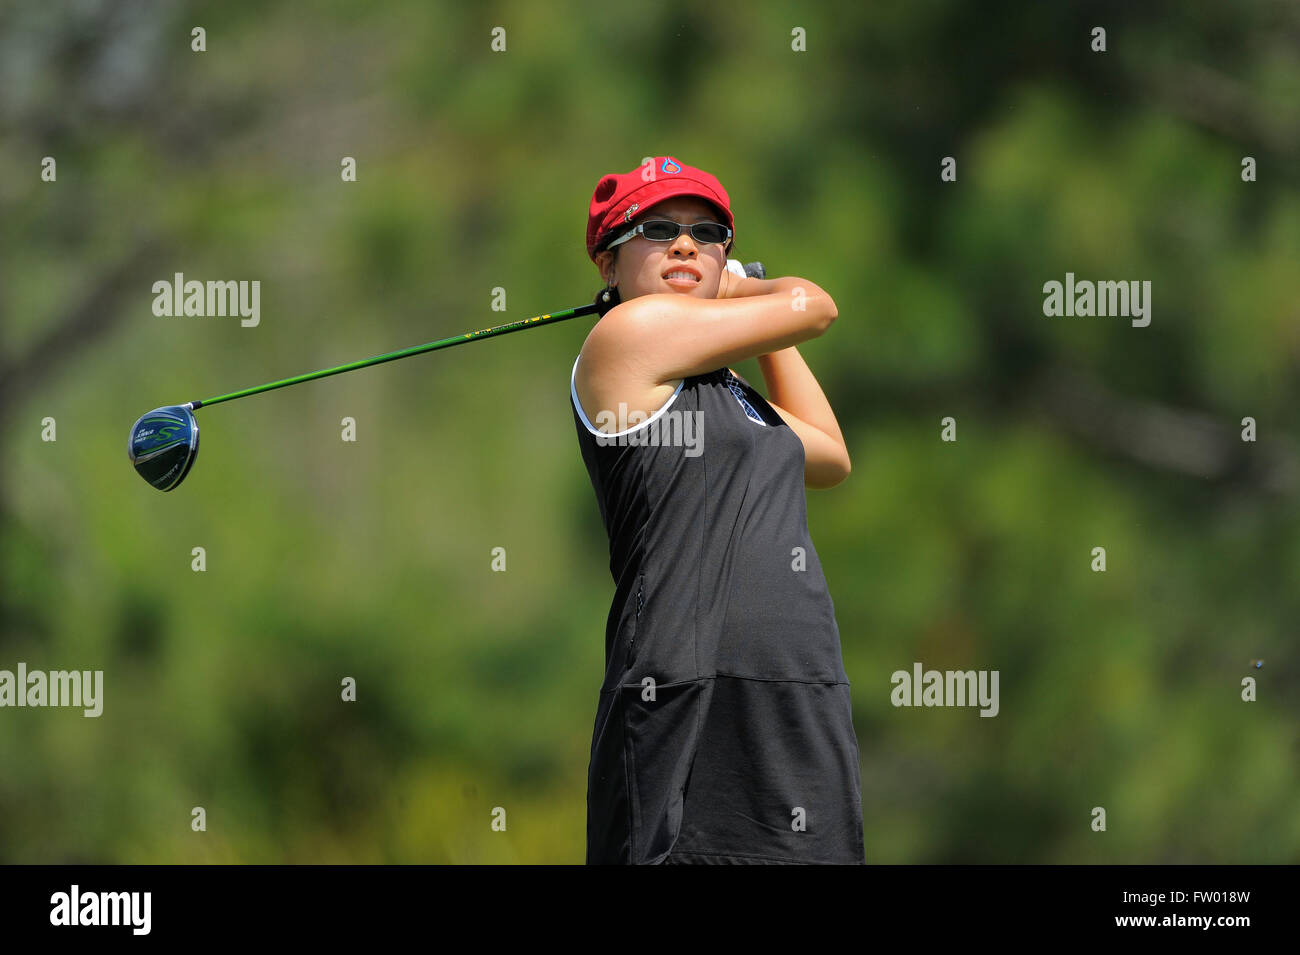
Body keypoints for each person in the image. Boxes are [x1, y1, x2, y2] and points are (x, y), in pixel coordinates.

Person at [571, 156, 864, 864]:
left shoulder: (730, 392)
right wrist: (749, 289)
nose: (685, 246)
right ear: (609, 266)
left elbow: (827, 454)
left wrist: (741, 317)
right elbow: (814, 305)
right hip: (682, 684)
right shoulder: (625, 340)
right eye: (657, 229)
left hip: (796, 683)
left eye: (708, 234)